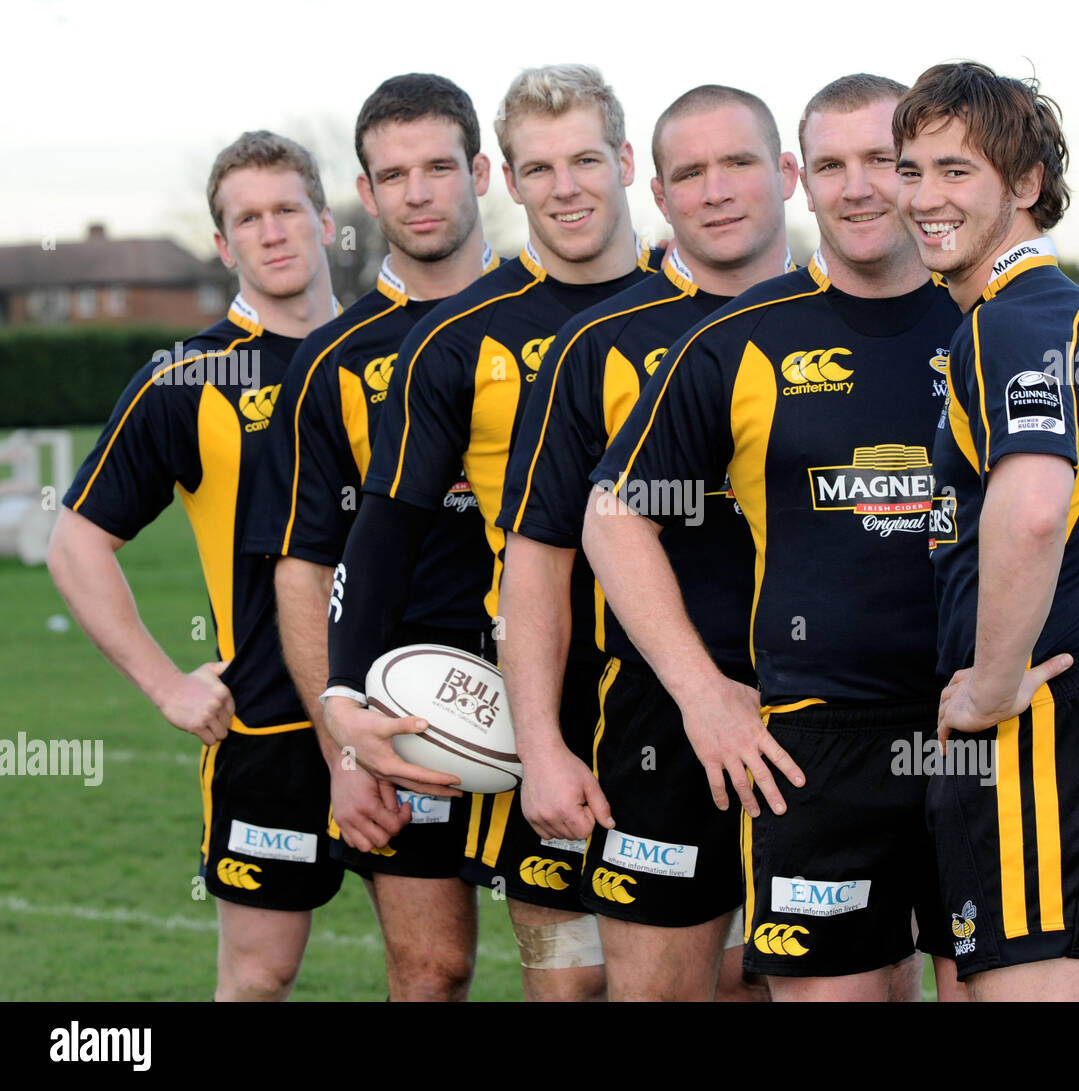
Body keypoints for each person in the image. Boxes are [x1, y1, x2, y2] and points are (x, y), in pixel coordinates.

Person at [582, 75, 966, 1001]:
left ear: (921, 173)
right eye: (833, 164)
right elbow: (613, 516)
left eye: (885, 160)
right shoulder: (740, 340)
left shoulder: (1005, 318)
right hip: (819, 747)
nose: (861, 186)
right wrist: (702, 691)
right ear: (805, 179)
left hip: (986, 735)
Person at [321, 64, 659, 1002]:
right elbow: (380, 535)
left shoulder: (708, 315)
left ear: (626, 162)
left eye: (586, 158)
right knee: (571, 983)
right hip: (538, 702)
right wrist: (345, 699)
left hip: (698, 694)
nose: (567, 187)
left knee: (730, 978)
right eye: (539, 168)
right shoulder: (460, 339)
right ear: (507, 180)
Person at [893, 61, 1079, 1001]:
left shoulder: (1008, 322)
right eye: (911, 170)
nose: (924, 198)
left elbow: (1030, 513)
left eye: (956, 171)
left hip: (1038, 734)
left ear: (1023, 186)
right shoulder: (1065, 311)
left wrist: (988, 690)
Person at [496, 84, 798, 1001]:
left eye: (739, 163)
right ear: (658, 194)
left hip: (837, 726)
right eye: (691, 173)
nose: (716, 190)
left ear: (786, 176)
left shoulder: (859, 323)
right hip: (655, 737)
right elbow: (536, 562)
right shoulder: (596, 346)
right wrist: (542, 745)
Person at [47, 131, 342, 1001]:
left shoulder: (402, 353)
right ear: (224, 245)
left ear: (326, 220)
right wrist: (165, 683)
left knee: (434, 968)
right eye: (248, 218)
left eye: (288, 208)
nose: (274, 231)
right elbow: (75, 539)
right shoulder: (188, 377)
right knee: (258, 978)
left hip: (416, 716)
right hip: (268, 733)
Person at [242, 74, 499, 1001]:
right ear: (367, 194)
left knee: (584, 975)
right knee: (430, 970)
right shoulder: (331, 360)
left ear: (481, 171)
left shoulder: (559, 325)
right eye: (394, 175)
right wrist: (342, 746)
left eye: (439, 166)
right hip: (407, 711)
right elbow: (301, 571)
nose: (420, 192)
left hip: (562, 702)